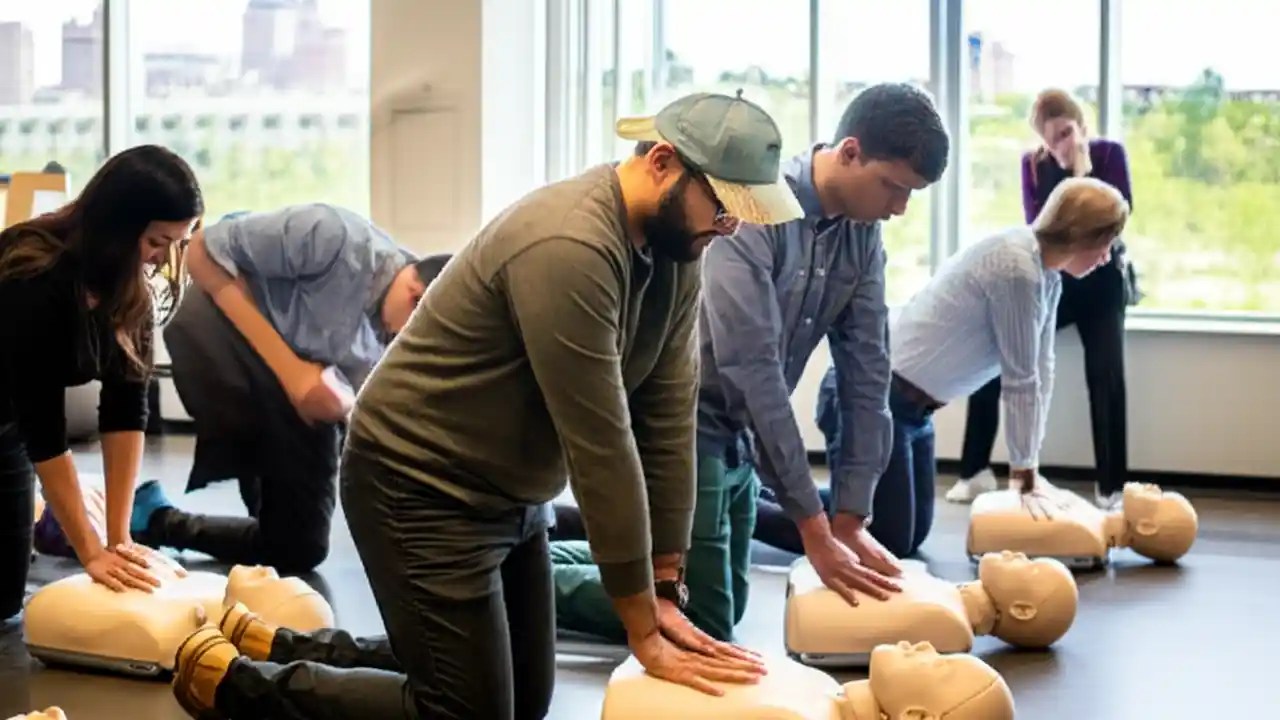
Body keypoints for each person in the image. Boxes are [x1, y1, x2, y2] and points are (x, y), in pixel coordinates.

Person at [169, 91, 806, 720]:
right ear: (663, 162)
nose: (729, 229)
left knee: (523, 701)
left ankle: (281, 644)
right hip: (418, 484)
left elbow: (667, 417)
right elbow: (602, 445)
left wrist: (667, 585)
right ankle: (232, 683)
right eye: (722, 207)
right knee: (466, 709)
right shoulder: (571, 245)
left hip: (508, 492)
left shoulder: (676, 251)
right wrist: (641, 623)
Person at [548, 83, 950, 642]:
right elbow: (753, 367)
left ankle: (558, 551)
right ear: (851, 152)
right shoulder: (755, 207)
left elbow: (867, 371)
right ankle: (525, 576)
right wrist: (813, 527)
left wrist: (851, 517)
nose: (900, 208)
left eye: (911, 195)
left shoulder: (863, 237)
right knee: (702, 617)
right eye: (893, 187)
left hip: (740, 431)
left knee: (727, 605)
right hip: (686, 424)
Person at [120, 204, 449, 573]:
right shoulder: (334, 236)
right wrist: (290, 371)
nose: (398, 343)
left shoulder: (391, 332)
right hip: (221, 324)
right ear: (414, 296)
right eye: (407, 334)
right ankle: (158, 516)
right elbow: (200, 250)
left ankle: (155, 518)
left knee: (298, 548)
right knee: (281, 445)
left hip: (295, 366)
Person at [0, 144, 202, 618]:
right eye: (156, 241)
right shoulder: (32, 274)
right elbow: (44, 430)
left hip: (8, 423)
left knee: (4, 597)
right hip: (18, 417)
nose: (163, 257)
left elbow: (126, 409)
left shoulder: (132, 288)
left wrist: (120, 536)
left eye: (179, 241)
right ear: (118, 226)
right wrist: (90, 551)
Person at [881, 176, 1129, 531]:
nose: (1107, 257)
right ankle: (780, 513)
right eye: (1105, 243)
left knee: (910, 529)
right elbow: (1020, 380)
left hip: (913, 411)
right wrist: (1022, 477)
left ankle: (795, 504)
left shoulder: (1048, 277)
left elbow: (1042, 372)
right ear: (1079, 235)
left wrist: (1031, 471)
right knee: (890, 534)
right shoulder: (1016, 269)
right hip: (876, 398)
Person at [946, 89, 1137, 509]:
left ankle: (1111, 487)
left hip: (1103, 280)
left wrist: (1082, 170)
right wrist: (1064, 172)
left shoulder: (1109, 155)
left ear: (1081, 126)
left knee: (1106, 376)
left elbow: (1116, 217)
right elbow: (1039, 226)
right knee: (1000, 358)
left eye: (1066, 133)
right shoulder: (1034, 165)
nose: (1059, 146)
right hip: (1058, 279)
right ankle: (974, 469)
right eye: (1051, 139)